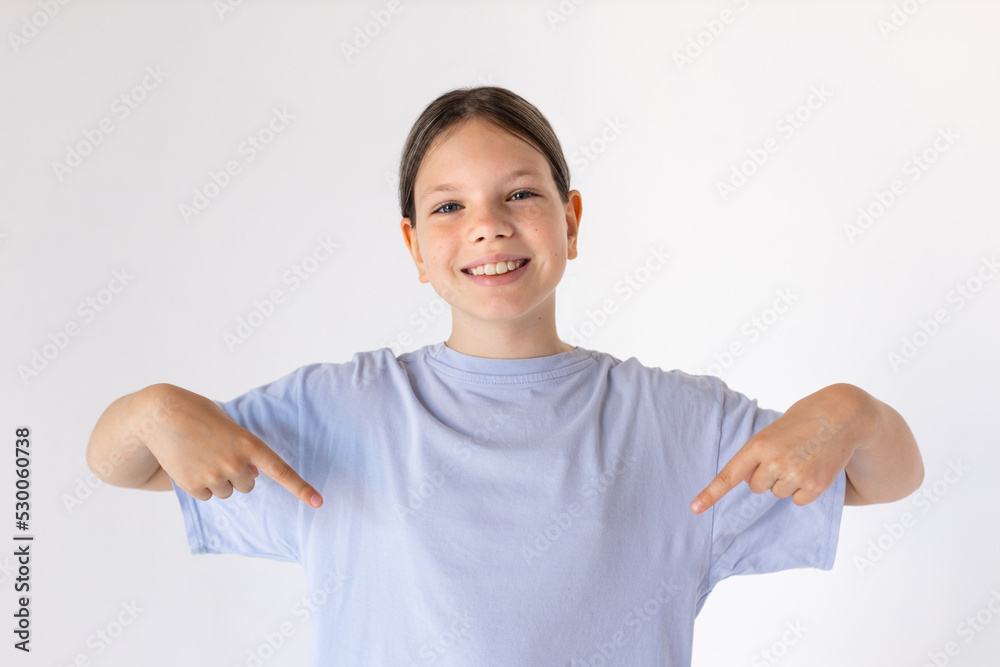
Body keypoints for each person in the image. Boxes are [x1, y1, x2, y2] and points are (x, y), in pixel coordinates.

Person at [86, 86, 924, 666]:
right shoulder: (340, 411)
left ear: (570, 219)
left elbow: (885, 478)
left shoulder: (675, 422)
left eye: (519, 194)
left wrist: (852, 410)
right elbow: (123, 462)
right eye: (449, 206)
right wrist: (153, 410)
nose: (487, 226)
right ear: (415, 246)